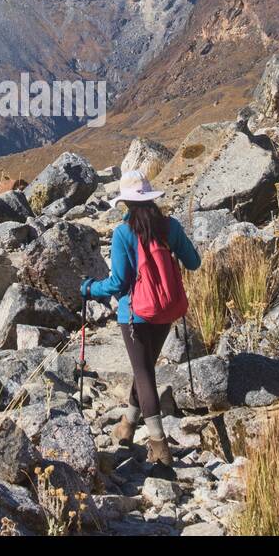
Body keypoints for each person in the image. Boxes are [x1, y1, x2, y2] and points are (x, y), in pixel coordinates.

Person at [81, 170, 200, 467]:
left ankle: (159, 447)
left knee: (145, 373)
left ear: (126, 203)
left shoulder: (123, 233)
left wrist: (90, 288)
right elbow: (194, 262)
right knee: (143, 368)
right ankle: (127, 426)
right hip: (166, 311)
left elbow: (119, 283)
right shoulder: (170, 227)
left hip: (134, 315)